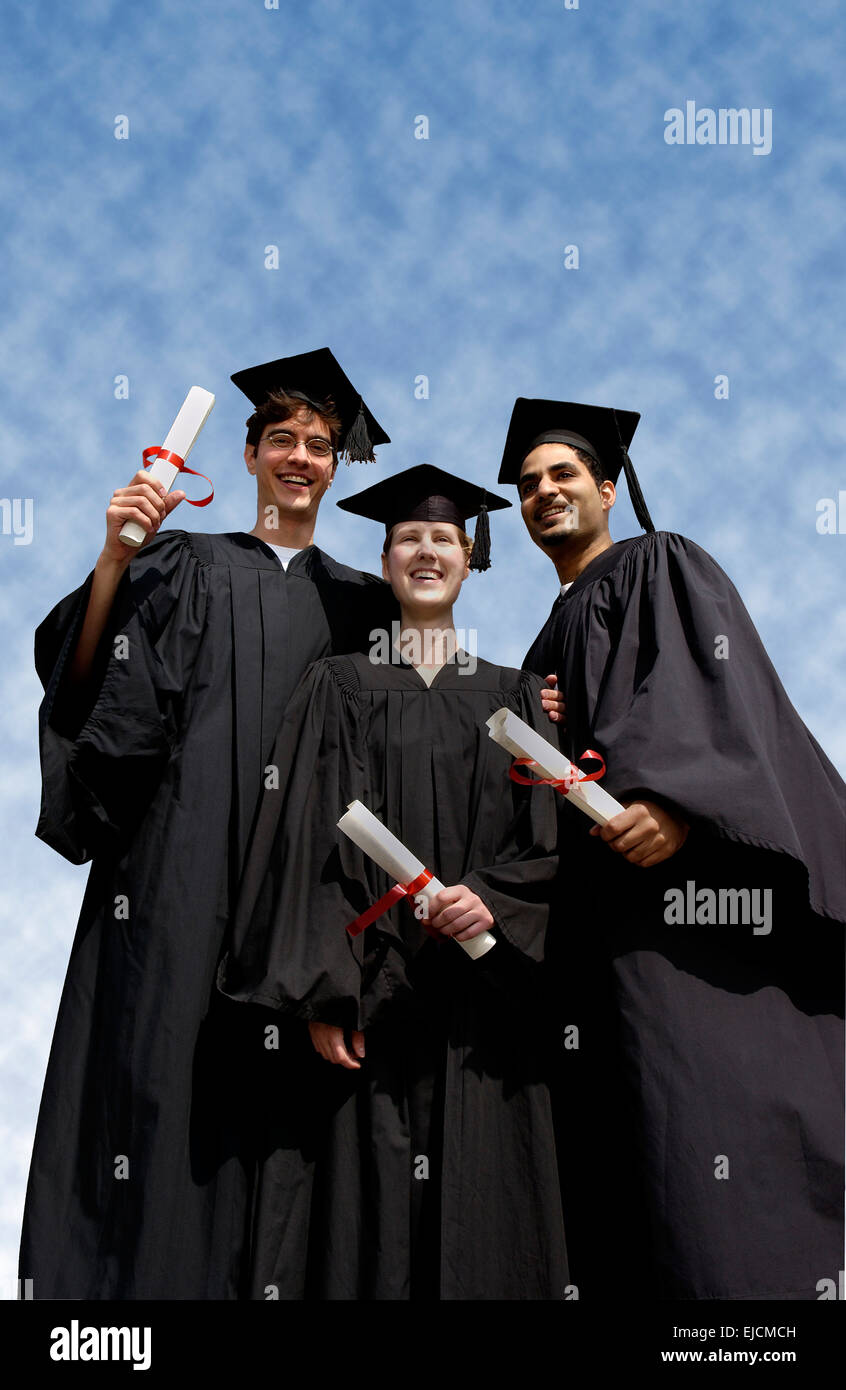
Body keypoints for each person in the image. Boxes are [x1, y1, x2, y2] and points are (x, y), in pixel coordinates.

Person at [19, 348, 400, 1299]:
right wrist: (114, 554)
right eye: (283, 439)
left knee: (292, 1122)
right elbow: (82, 680)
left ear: (339, 463)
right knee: (157, 1088)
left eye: (320, 443)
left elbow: (416, 736)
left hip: (300, 902)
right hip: (171, 879)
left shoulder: (363, 603)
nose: (302, 456)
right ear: (248, 455)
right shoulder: (183, 563)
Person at [486, 396, 846, 1300]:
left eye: (563, 475)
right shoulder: (544, 642)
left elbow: (711, 690)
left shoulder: (657, 563)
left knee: (715, 1128)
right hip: (604, 926)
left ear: (608, 487)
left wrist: (677, 802)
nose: (544, 493)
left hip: (693, 909)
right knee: (636, 1152)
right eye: (528, 485)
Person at [218, 465, 570, 1300]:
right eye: (408, 538)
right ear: (383, 563)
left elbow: (553, 843)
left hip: (487, 1000)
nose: (425, 551)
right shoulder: (336, 687)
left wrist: (496, 897)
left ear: (469, 558)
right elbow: (300, 843)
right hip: (375, 994)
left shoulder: (517, 697)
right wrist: (326, 994)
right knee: (361, 1207)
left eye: (443, 538)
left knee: (490, 1203)